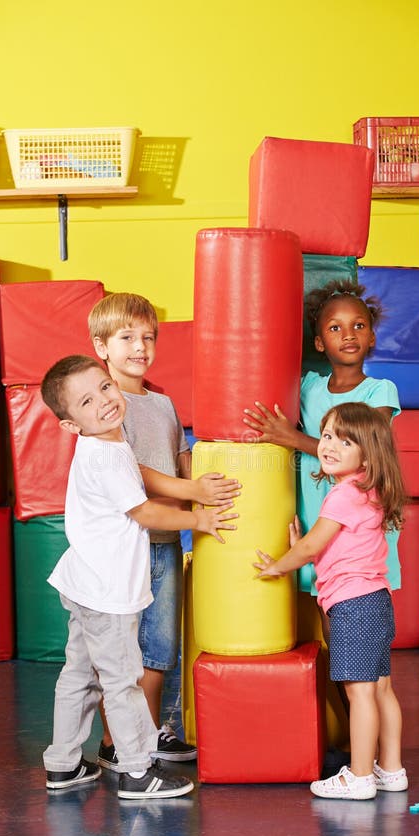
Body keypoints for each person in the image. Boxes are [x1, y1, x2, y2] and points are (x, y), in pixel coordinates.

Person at [41, 355, 238, 798]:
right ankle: (136, 770)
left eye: (105, 388)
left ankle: (63, 763)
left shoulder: (109, 442)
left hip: (85, 583)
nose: (106, 402)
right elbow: (144, 510)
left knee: (79, 675)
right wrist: (200, 520)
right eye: (88, 402)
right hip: (106, 592)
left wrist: (190, 492)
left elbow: (140, 475)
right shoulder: (104, 457)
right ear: (72, 425)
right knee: (121, 679)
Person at [88, 292, 235, 771]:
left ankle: (146, 734)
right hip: (125, 546)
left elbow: (176, 457)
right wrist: (193, 488)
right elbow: (135, 472)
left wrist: (212, 463)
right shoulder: (107, 406)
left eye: (148, 337)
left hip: (165, 542)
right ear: (101, 347)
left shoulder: (163, 403)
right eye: (127, 337)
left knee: (158, 651)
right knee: (124, 653)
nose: (140, 346)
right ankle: (118, 742)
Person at [254, 402, 408, 800]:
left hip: (353, 605)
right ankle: (391, 769)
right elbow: (332, 547)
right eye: (326, 436)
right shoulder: (369, 490)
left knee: (359, 693)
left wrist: (279, 566)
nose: (329, 446)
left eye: (345, 440)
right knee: (381, 689)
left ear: (368, 454)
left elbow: (312, 546)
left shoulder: (343, 496)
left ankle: (358, 777)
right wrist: (307, 548)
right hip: (376, 600)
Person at [242, 279, 401, 595]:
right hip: (316, 508)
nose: (348, 335)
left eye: (358, 326)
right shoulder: (309, 388)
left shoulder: (379, 390)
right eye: (335, 328)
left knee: (356, 595)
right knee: (328, 599)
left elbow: (367, 444)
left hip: (356, 518)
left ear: (371, 337)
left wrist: (293, 438)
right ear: (318, 343)